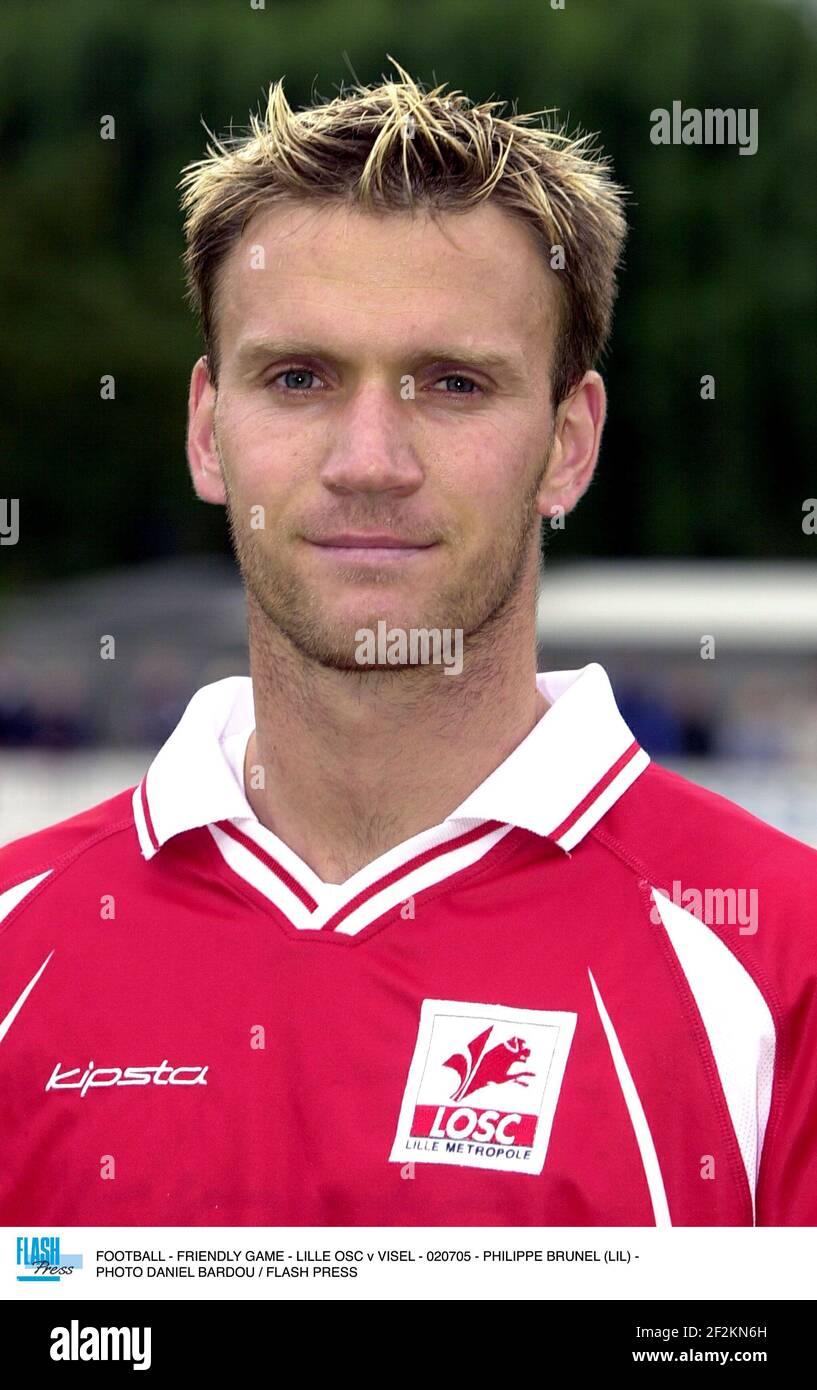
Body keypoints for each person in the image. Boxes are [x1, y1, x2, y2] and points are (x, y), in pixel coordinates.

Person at [1, 63, 815, 1228]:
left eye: (452, 383)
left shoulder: (781, 960)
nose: (369, 459)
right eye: (297, 378)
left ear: (568, 443)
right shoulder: (16, 944)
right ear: (208, 430)